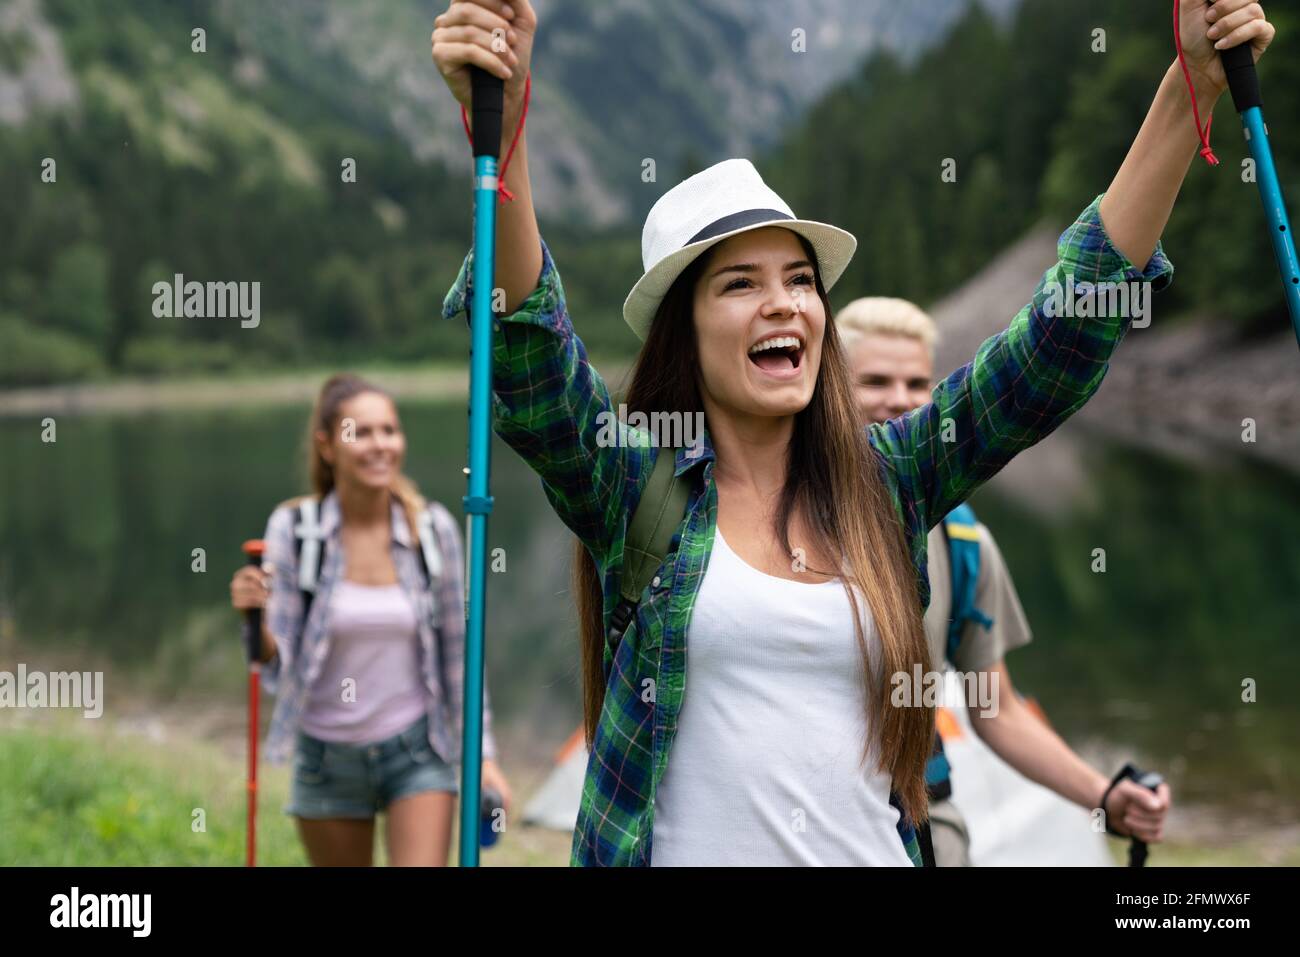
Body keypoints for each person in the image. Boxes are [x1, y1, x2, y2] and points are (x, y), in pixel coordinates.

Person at [432, 0, 1273, 865]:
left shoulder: (890, 479)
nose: (785, 302)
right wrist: (509, 122)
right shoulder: (632, 486)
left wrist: (1188, 89)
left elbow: (1055, 345)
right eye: (740, 284)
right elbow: (530, 353)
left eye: (801, 279)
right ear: (684, 332)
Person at [838, 296, 1172, 865]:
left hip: (924, 829)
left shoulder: (965, 545)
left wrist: (1104, 797)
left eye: (918, 383)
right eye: (875, 381)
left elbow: (996, 709)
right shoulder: (768, 525)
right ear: (833, 394)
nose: (900, 400)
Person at [229, 373, 511, 865]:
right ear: (327, 446)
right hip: (325, 759)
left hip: (418, 752)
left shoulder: (433, 530)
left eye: (390, 430)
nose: (381, 445)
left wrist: (481, 755)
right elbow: (276, 663)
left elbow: (460, 656)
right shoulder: (295, 529)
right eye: (362, 433)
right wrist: (253, 617)